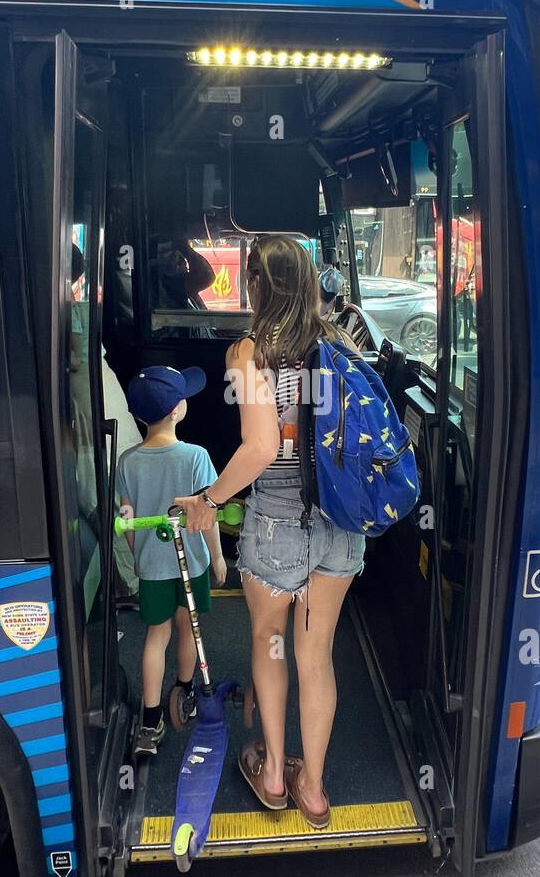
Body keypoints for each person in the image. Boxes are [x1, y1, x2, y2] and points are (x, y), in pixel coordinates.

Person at [174, 236, 364, 831]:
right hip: (338, 523)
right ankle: (314, 789)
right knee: (317, 657)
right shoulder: (340, 343)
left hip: (278, 523)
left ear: (255, 283)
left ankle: (275, 775)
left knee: (270, 645)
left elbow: (260, 448)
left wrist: (209, 498)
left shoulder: (252, 353)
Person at [116, 365, 227, 757]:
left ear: (139, 416)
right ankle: (184, 691)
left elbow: (126, 522)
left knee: (155, 636)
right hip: (191, 563)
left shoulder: (127, 462)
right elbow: (207, 512)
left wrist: (139, 557)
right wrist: (217, 556)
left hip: (152, 567)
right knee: (187, 628)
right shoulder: (196, 457)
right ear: (179, 410)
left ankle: (150, 721)